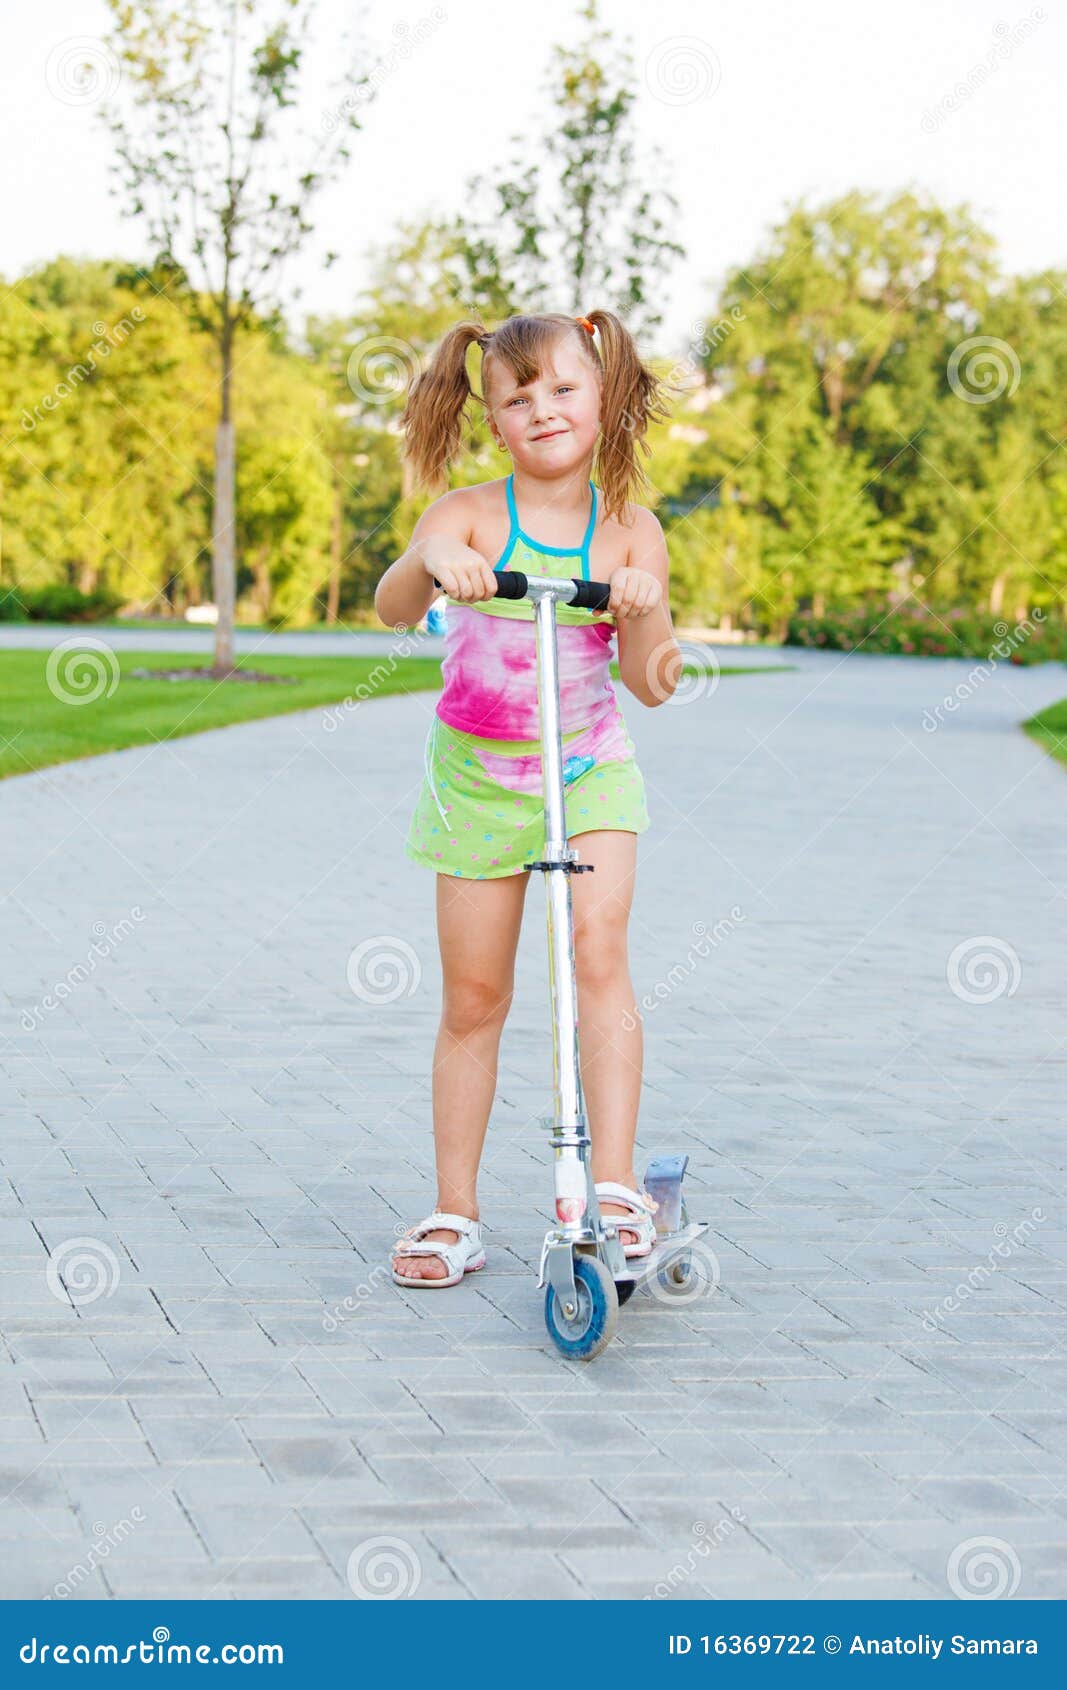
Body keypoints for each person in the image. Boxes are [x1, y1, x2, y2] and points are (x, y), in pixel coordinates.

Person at [373, 310, 681, 1286]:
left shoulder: (628, 529)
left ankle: (619, 1186)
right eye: (518, 397)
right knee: (475, 998)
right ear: (491, 417)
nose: (541, 410)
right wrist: (431, 567)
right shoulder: (464, 514)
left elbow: (651, 678)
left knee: (597, 948)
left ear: (602, 396)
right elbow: (390, 606)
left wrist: (645, 615)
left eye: (561, 389)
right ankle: (454, 1210)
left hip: (586, 769)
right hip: (475, 784)